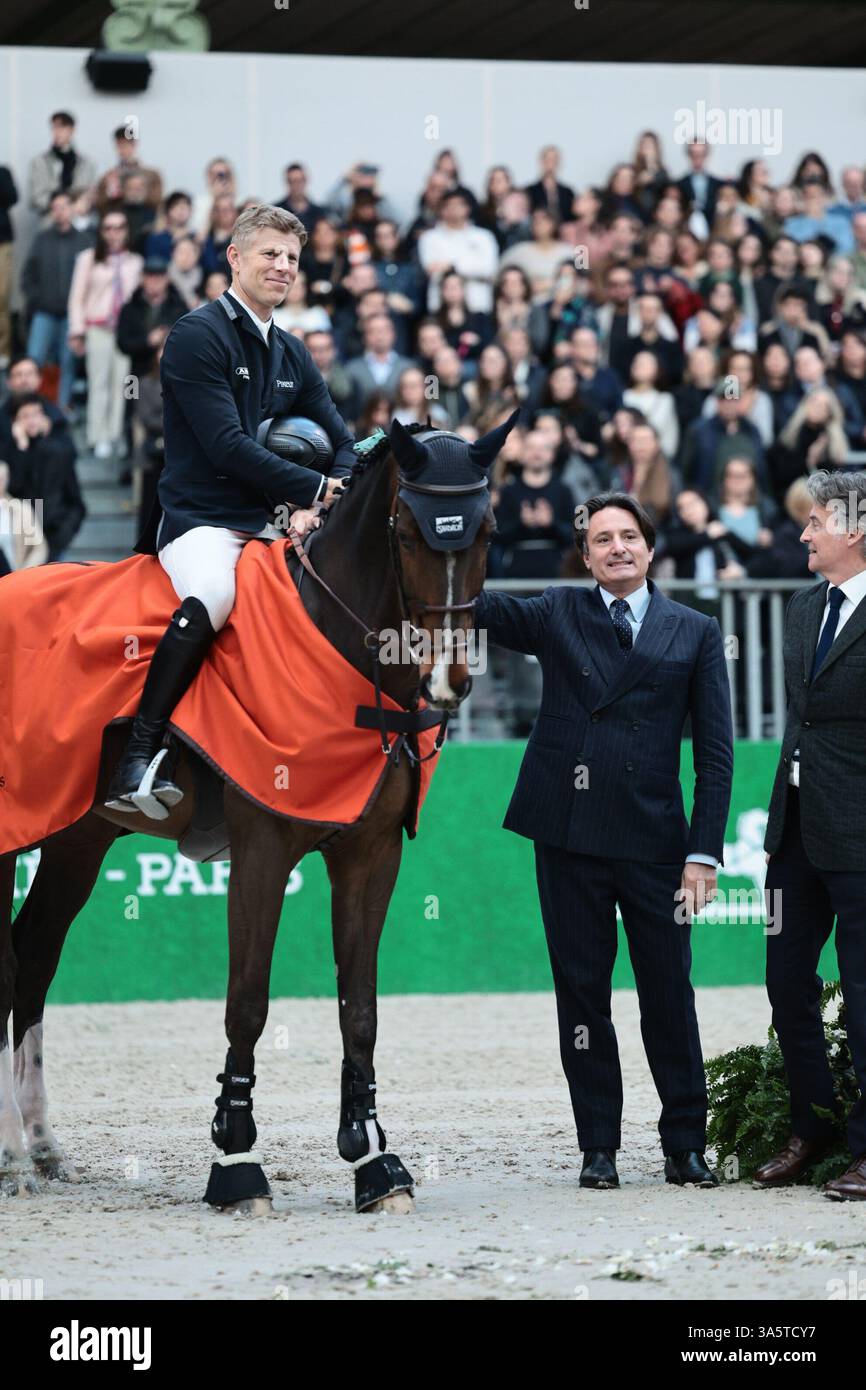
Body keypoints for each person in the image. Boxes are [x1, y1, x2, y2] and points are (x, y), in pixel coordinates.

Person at [475, 492, 733, 1188]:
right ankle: (599, 1147)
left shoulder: (696, 630)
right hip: (567, 835)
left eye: (629, 537)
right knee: (582, 995)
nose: (617, 548)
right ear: (584, 555)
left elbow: (715, 755)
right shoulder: (558, 609)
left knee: (668, 995)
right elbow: (478, 605)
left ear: (650, 549)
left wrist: (703, 854)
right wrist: (460, 519)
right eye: (601, 540)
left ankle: (685, 1143)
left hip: (656, 843)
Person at [106, 204, 355, 818]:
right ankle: (139, 756)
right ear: (235, 257)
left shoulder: (292, 350)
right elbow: (227, 448)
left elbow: (346, 443)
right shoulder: (196, 335)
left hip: (273, 522)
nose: (283, 265)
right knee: (216, 595)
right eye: (270, 253)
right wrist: (317, 490)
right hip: (202, 520)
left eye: (292, 258)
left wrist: (319, 504)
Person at [758, 469, 866, 1199]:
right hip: (793, 831)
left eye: (816, 522)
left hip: (860, 833)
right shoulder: (801, 608)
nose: (802, 533)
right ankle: (814, 1125)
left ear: (855, 530)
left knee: (864, 994)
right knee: (785, 983)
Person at [66, 209, 143, 458]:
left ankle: (116, 433)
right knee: (99, 382)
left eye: (119, 227)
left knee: (125, 385)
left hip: (124, 331)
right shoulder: (89, 258)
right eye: (108, 228)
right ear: (101, 232)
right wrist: (77, 330)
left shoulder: (135, 261)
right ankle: (97, 435)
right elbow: (76, 297)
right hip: (98, 327)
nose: (114, 233)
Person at [21, 190, 93, 410]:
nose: (60, 212)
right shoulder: (42, 239)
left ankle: (62, 409)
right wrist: (36, 299)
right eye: (56, 208)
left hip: (72, 316)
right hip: (45, 312)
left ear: (72, 209)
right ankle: (28, 407)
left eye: (64, 206)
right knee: (34, 359)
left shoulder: (85, 241)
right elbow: (28, 274)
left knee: (68, 362)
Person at [5, 392, 86, 559]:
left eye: (36, 414)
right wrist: (22, 446)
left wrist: (65, 532)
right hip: (19, 537)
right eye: (25, 416)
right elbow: (14, 487)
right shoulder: (9, 451)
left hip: (54, 535)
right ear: (15, 422)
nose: (32, 420)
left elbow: (76, 501)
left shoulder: (57, 449)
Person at [417, 189, 499, 313]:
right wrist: (472, 267)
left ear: (468, 208)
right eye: (449, 205)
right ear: (441, 210)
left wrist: (451, 265)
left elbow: (488, 269)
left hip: (478, 304)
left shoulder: (484, 237)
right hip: (440, 307)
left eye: (459, 204)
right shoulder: (429, 238)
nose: (454, 209)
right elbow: (432, 270)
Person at [27, 111, 97, 224]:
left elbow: (90, 193)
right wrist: (59, 207)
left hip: (79, 217)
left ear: (72, 130)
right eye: (54, 127)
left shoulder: (86, 163)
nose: (57, 132)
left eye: (62, 127)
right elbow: (36, 197)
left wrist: (79, 205)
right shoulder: (40, 162)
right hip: (51, 218)